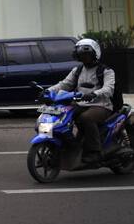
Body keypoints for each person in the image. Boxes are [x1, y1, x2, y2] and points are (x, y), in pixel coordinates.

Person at [49, 38, 115, 166]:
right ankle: (69, 144)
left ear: (94, 54)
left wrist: (94, 94)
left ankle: (94, 151)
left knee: (86, 118)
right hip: (80, 103)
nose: (84, 57)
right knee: (61, 114)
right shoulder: (77, 70)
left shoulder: (106, 71)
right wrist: (48, 92)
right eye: (81, 55)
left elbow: (108, 89)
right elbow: (64, 84)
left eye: (87, 54)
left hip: (101, 105)